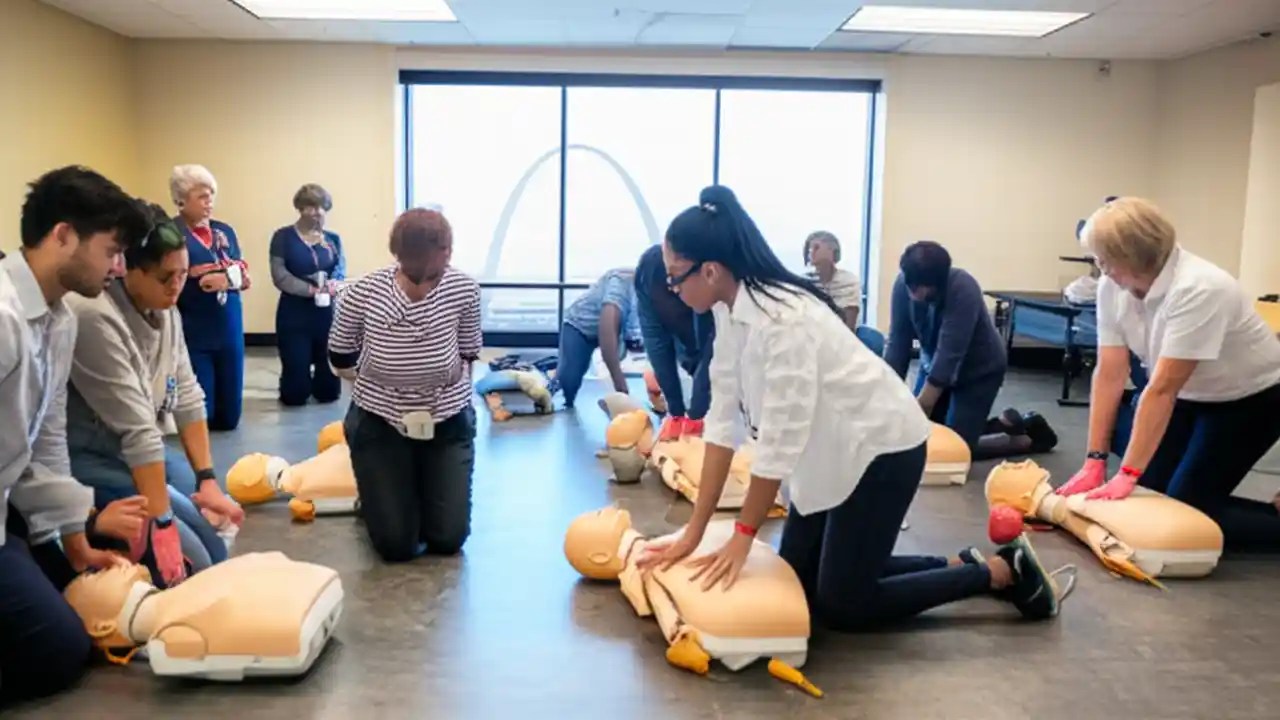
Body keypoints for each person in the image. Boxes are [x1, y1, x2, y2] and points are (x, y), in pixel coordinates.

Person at [636, 185, 1063, 632]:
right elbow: (721, 422)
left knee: (843, 603)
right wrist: (694, 532)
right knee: (802, 582)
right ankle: (958, 561)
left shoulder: (784, 320)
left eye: (673, 277)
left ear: (709, 271)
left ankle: (998, 572)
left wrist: (743, 536)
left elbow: (778, 446)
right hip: (831, 457)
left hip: (881, 450)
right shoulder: (729, 311)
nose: (672, 290)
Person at [1056, 197, 1280, 551]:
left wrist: (1127, 473)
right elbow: (1111, 373)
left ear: (1130, 258)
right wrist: (1094, 461)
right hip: (1189, 395)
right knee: (1148, 497)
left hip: (1248, 400)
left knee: (1185, 510)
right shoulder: (1112, 286)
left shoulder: (1200, 288)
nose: (1099, 268)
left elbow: (1161, 390)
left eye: (1104, 260)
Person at [0, 166, 144, 704]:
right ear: (63, 236)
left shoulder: (59, 318)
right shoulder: (4, 317)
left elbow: (46, 440)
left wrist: (74, 540)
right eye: (111, 250)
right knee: (56, 651)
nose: (120, 266)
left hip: (9, 499)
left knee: (79, 586)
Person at [65, 202, 245, 587]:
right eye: (165, 277)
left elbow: (188, 394)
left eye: (182, 274)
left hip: (141, 447)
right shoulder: (94, 314)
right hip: (93, 456)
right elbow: (136, 429)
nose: (176, 286)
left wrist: (208, 480)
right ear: (130, 270)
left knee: (215, 549)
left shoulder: (168, 312)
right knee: (191, 569)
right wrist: (162, 525)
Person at [328, 208, 480, 562]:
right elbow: (340, 356)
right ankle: (379, 494)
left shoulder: (464, 290)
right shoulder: (361, 293)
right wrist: (385, 385)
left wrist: (448, 400)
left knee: (448, 539)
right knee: (396, 547)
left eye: (446, 251)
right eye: (438, 253)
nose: (445, 258)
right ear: (402, 255)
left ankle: (422, 487)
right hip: (379, 421)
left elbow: (470, 353)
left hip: (447, 419)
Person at [884, 241, 1057, 458]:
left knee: (954, 450)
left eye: (926, 287)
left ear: (940, 279)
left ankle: (1026, 440)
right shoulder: (902, 286)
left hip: (978, 371)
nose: (919, 293)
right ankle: (1002, 424)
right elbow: (897, 344)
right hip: (933, 366)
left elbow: (950, 352)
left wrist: (922, 409)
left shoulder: (962, 287)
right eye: (915, 287)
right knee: (923, 438)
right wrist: (884, 393)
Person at [171, 164, 249, 431]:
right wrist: (193, 274)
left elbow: (243, 273)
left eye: (211, 196)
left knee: (229, 419)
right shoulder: (171, 234)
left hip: (228, 325)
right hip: (194, 329)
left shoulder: (224, 231)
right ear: (181, 200)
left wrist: (224, 279)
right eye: (202, 197)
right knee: (202, 415)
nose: (209, 203)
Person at [271, 183, 345, 407]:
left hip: (326, 312)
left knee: (329, 394)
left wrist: (333, 285)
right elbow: (279, 274)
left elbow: (340, 268)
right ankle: (296, 382)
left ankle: (322, 382)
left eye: (322, 207)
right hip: (294, 312)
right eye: (312, 207)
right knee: (295, 395)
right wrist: (309, 290)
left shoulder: (333, 240)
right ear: (300, 209)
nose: (318, 213)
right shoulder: (282, 237)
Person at [634, 244, 714, 441]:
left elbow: (714, 353)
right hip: (685, 345)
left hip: (720, 349)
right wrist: (676, 413)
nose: (675, 288)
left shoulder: (704, 289)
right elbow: (656, 345)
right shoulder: (646, 285)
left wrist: (695, 416)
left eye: (675, 282)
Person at [557, 267, 640, 408]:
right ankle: (559, 371)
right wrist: (620, 386)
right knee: (569, 382)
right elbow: (606, 330)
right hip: (580, 326)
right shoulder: (620, 281)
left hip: (618, 331)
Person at [803, 231, 862, 330]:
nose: (811, 251)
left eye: (816, 247)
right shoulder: (805, 281)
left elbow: (849, 326)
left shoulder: (849, 282)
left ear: (832, 251)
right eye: (809, 248)